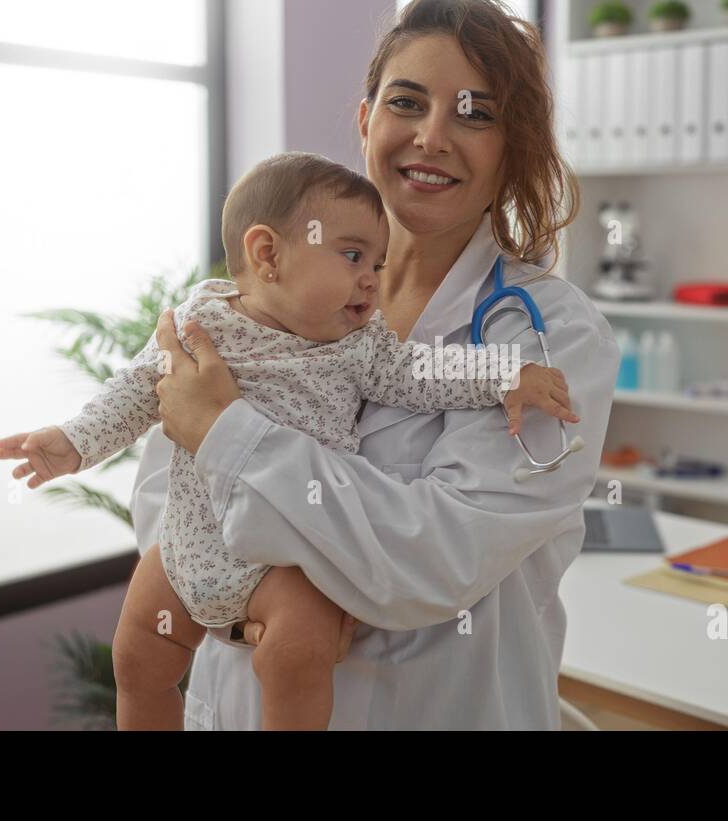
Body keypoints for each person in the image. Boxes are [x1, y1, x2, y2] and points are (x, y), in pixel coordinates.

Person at [136, 0, 620, 729]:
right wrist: (246, 612)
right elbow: (163, 497)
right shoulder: (257, 295)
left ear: (510, 146)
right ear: (366, 121)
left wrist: (227, 431)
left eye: (474, 114)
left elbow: (431, 557)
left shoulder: (548, 339)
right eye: (407, 103)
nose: (432, 137)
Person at [0, 151, 574, 730]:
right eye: (353, 256)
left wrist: (506, 373)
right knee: (138, 658)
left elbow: (426, 373)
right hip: (188, 547)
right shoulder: (201, 322)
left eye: (378, 263)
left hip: (287, 561)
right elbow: (140, 390)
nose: (370, 279)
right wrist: (73, 442)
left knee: (298, 656)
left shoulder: (360, 345)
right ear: (267, 254)